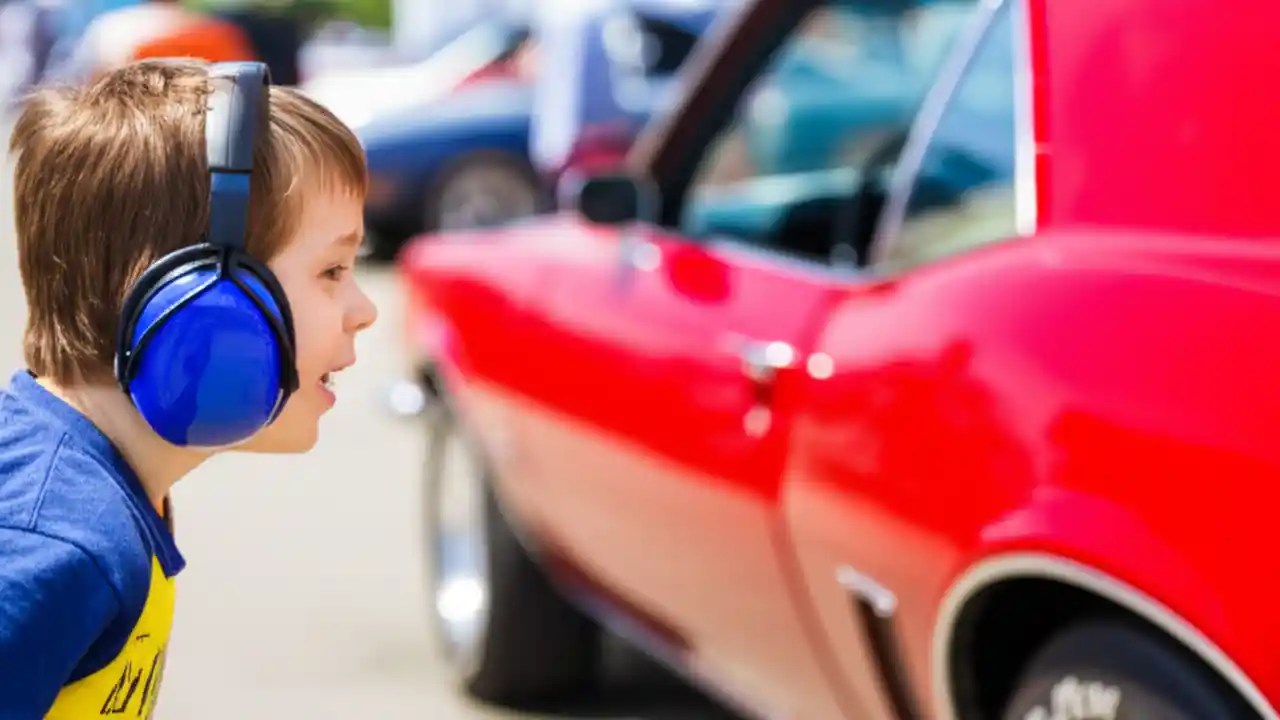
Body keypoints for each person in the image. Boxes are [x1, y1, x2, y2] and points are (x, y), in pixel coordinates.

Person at [0, 58, 377, 717]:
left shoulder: (109, 498)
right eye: (333, 269)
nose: (366, 308)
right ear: (203, 299)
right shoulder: (57, 544)